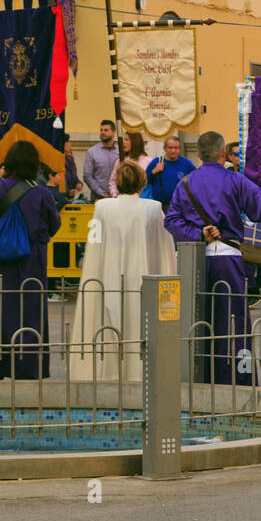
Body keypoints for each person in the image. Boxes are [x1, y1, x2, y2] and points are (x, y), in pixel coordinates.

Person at [164, 131, 261, 385]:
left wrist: (198, 233)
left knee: (198, 321)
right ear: (224, 153)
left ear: (198, 155)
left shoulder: (186, 183)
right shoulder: (235, 180)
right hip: (228, 261)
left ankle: (199, 379)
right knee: (235, 325)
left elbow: (171, 220)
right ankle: (239, 381)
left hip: (195, 261)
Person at [0, 141, 61, 379]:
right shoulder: (42, 194)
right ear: (35, 165)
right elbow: (54, 224)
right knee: (29, 313)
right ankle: (28, 369)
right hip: (30, 261)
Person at [71, 161, 177, 382]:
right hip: (141, 277)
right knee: (139, 321)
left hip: (107, 275)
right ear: (141, 183)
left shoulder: (102, 208)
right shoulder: (153, 208)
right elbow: (164, 245)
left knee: (107, 318)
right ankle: (138, 372)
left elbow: (93, 241)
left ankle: (106, 371)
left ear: (117, 184)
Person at [142, 136, 196, 209]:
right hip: (160, 206)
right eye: (170, 148)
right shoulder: (156, 162)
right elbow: (143, 181)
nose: (173, 150)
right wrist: (154, 171)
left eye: (176, 148)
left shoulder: (186, 164)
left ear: (180, 149)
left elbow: (196, 180)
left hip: (180, 206)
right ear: (164, 149)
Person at [84, 120, 120, 202]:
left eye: (106, 130)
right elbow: (87, 175)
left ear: (113, 132)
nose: (103, 132)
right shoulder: (92, 152)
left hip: (118, 197)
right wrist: (101, 193)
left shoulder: (120, 151)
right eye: (101, 130)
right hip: (98, 198)